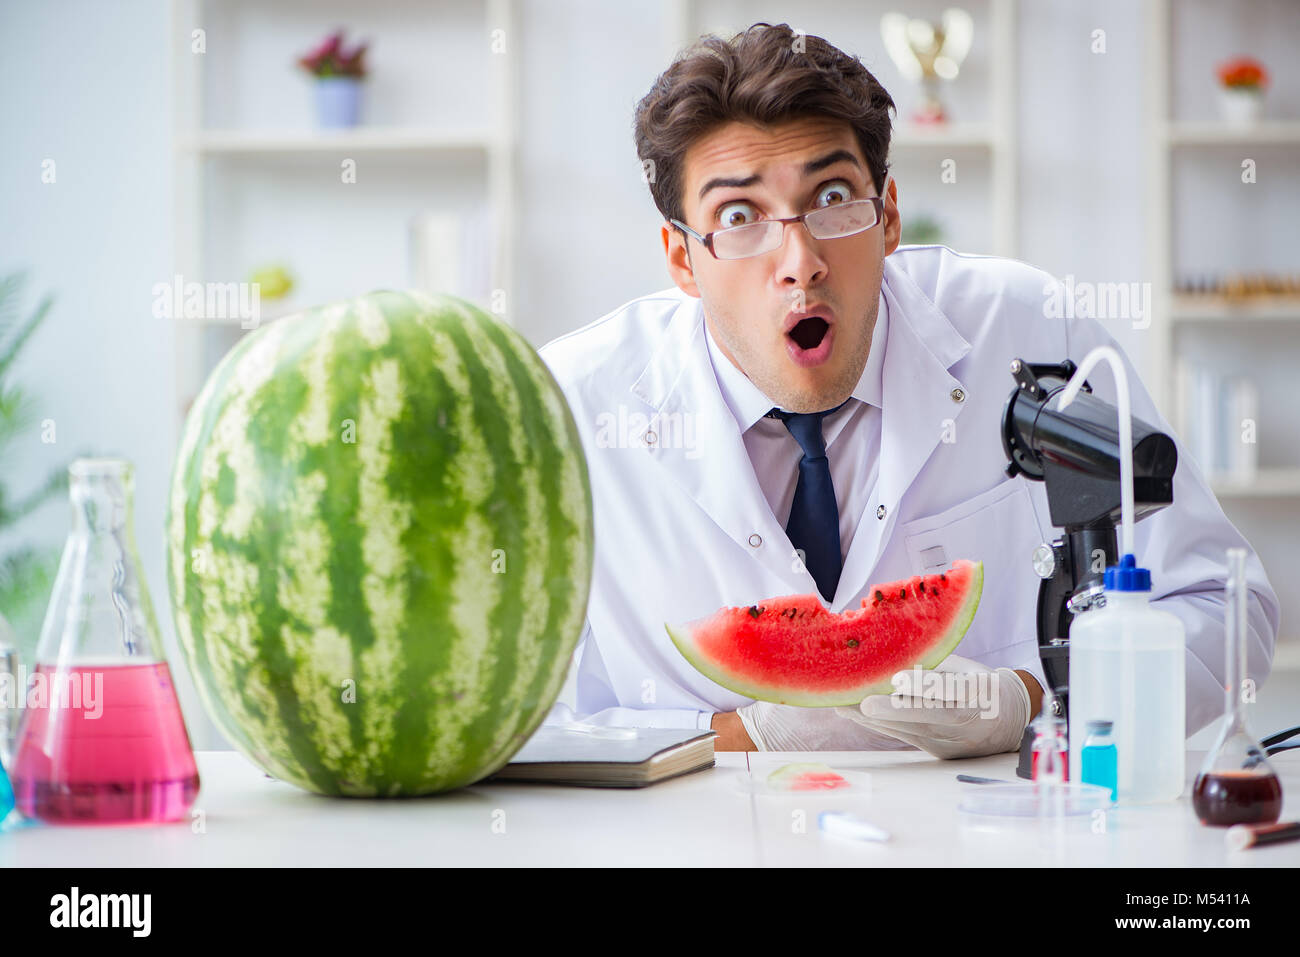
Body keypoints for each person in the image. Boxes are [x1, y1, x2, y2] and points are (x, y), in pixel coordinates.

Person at [537, 23, 1279, 755]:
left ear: (887, 215)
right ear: (681, 257)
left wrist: (1037, 699)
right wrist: (738, 737)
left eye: (832, 197)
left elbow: (1221, 604)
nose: (799, 261)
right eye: (739, 216)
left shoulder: (1027, 330)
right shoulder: (568, 409)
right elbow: (517, 720)